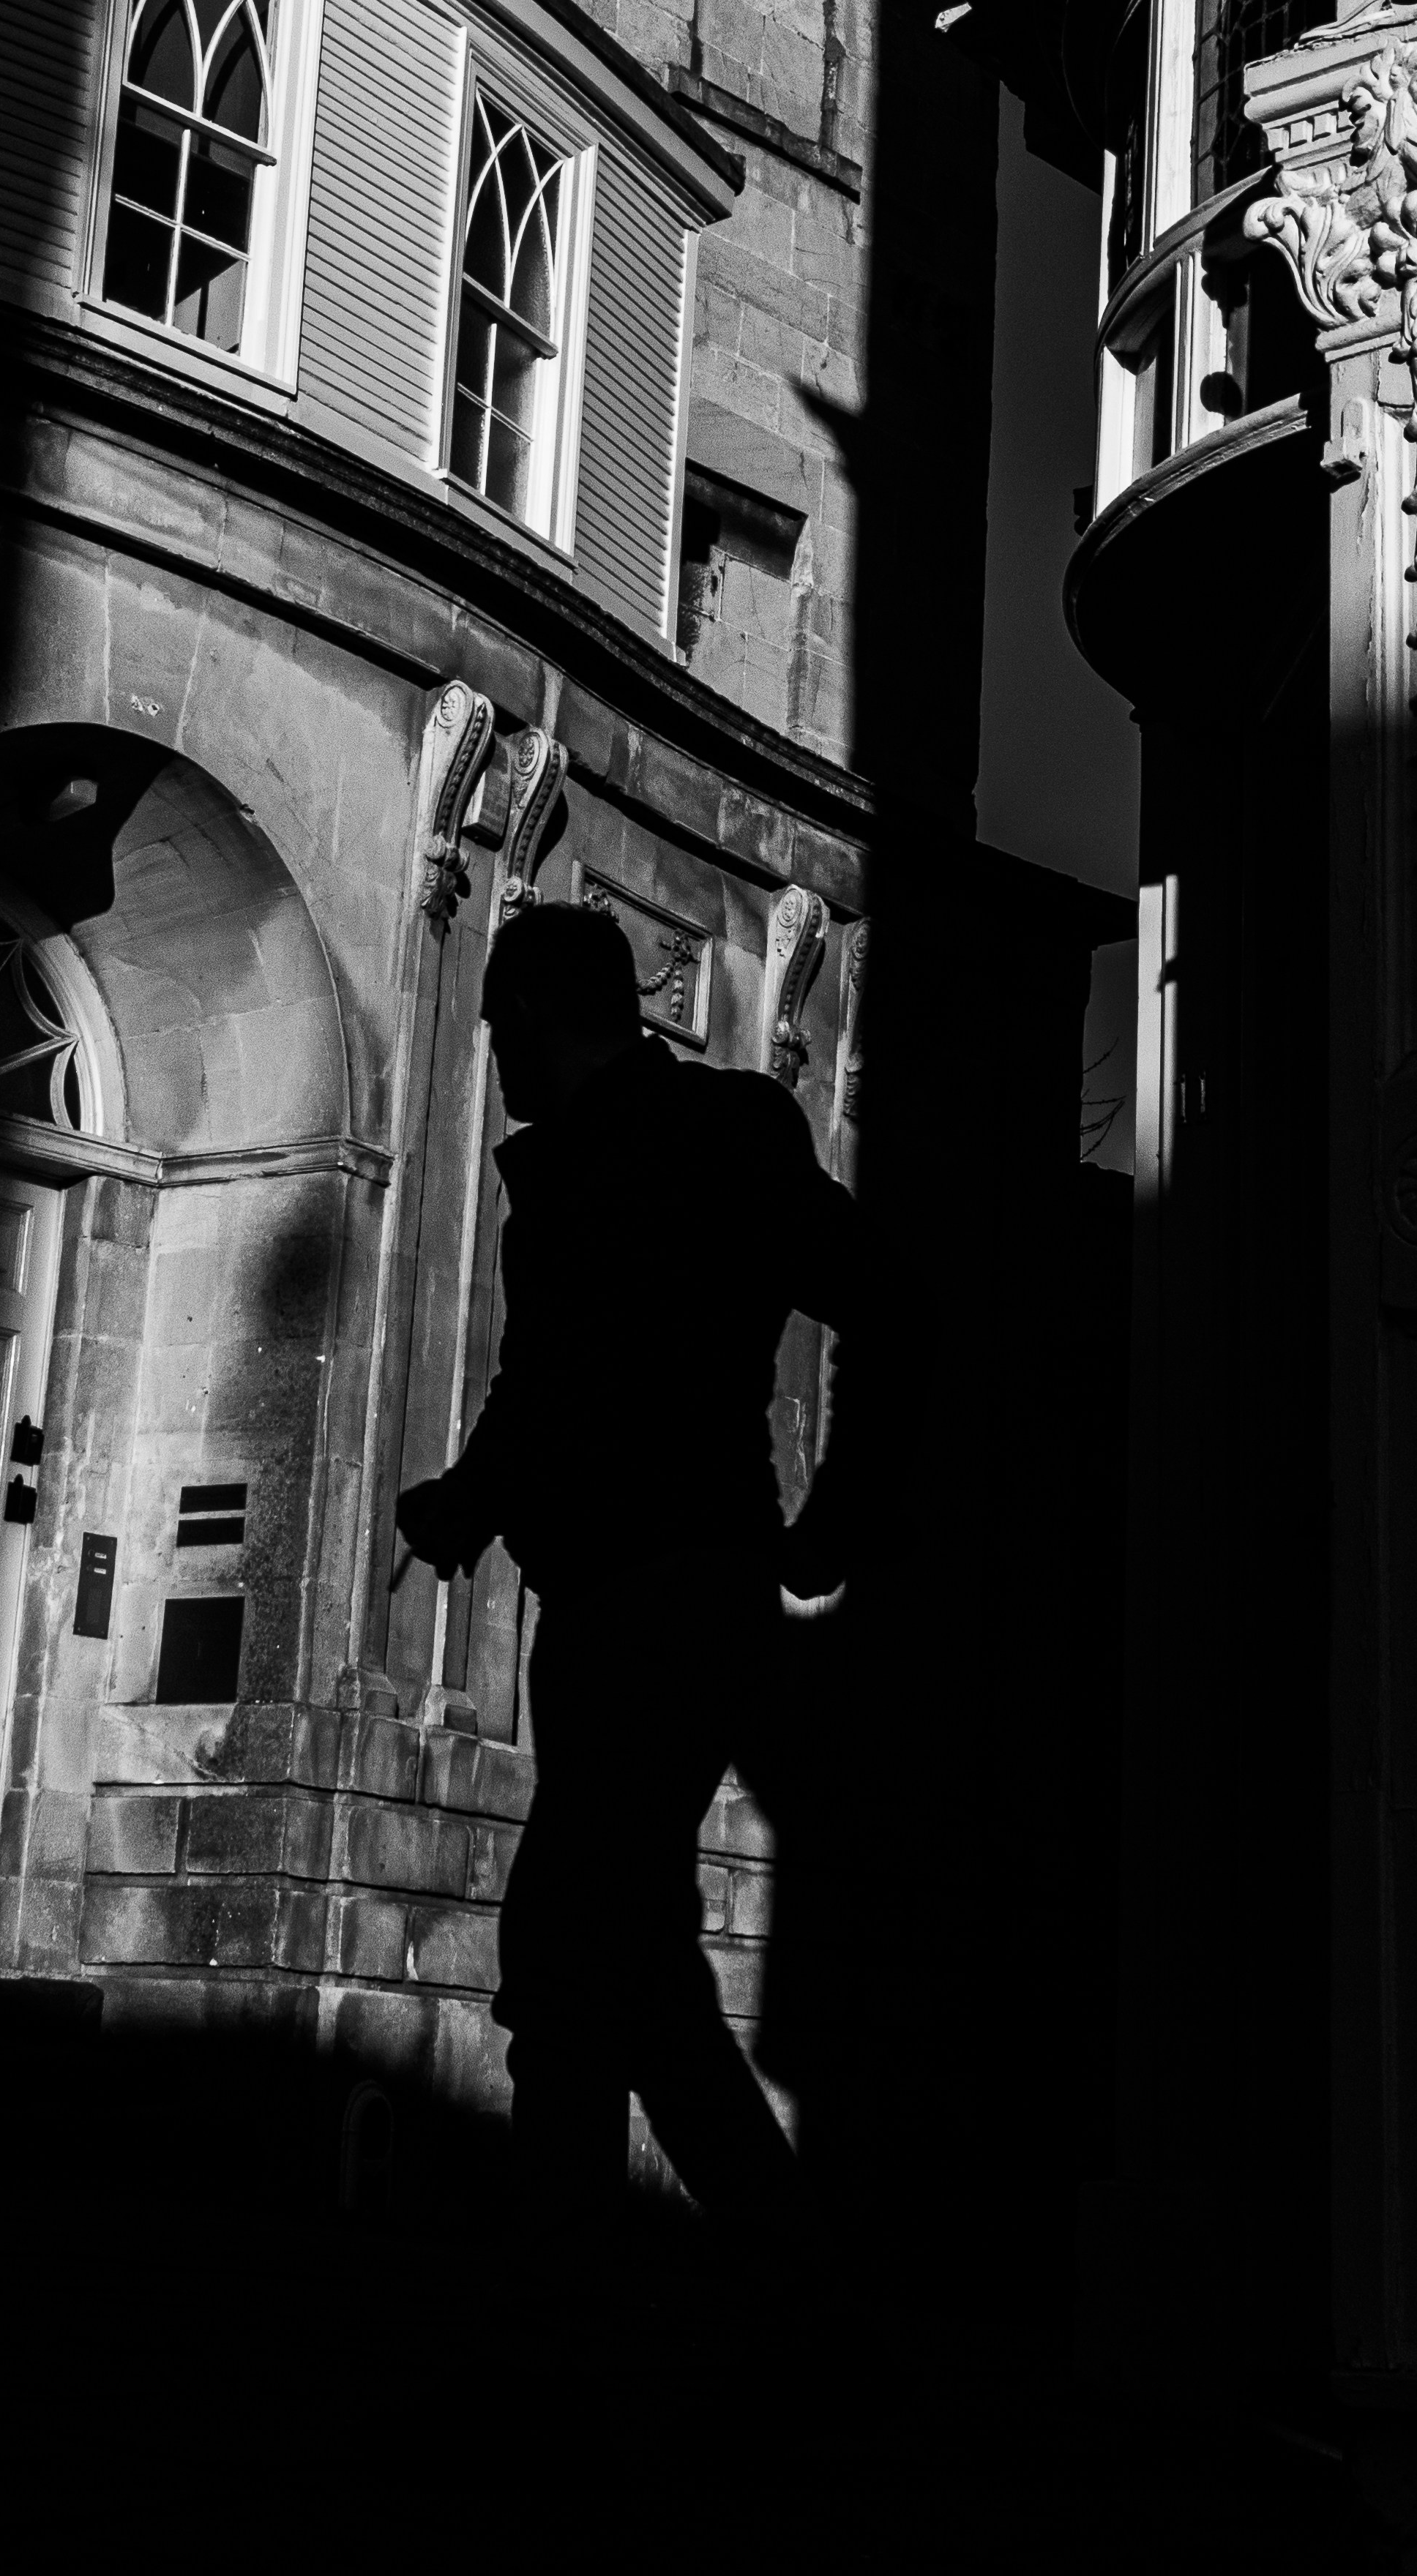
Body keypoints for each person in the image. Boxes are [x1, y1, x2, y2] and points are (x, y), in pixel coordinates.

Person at [395, 898, 873, 2239]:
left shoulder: (712, 1134)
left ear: (540, 1018)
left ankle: (559, 2357)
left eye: (496, 1028)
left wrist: (836, 1512)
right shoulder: (614, 1164)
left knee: (563, 1967)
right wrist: (472, 1503)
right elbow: (543, 1386)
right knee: (641, 1983)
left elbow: (876, 1298)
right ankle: (797, 2308)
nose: (490, 1057)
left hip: (669, 1598)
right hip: (621, 1601)